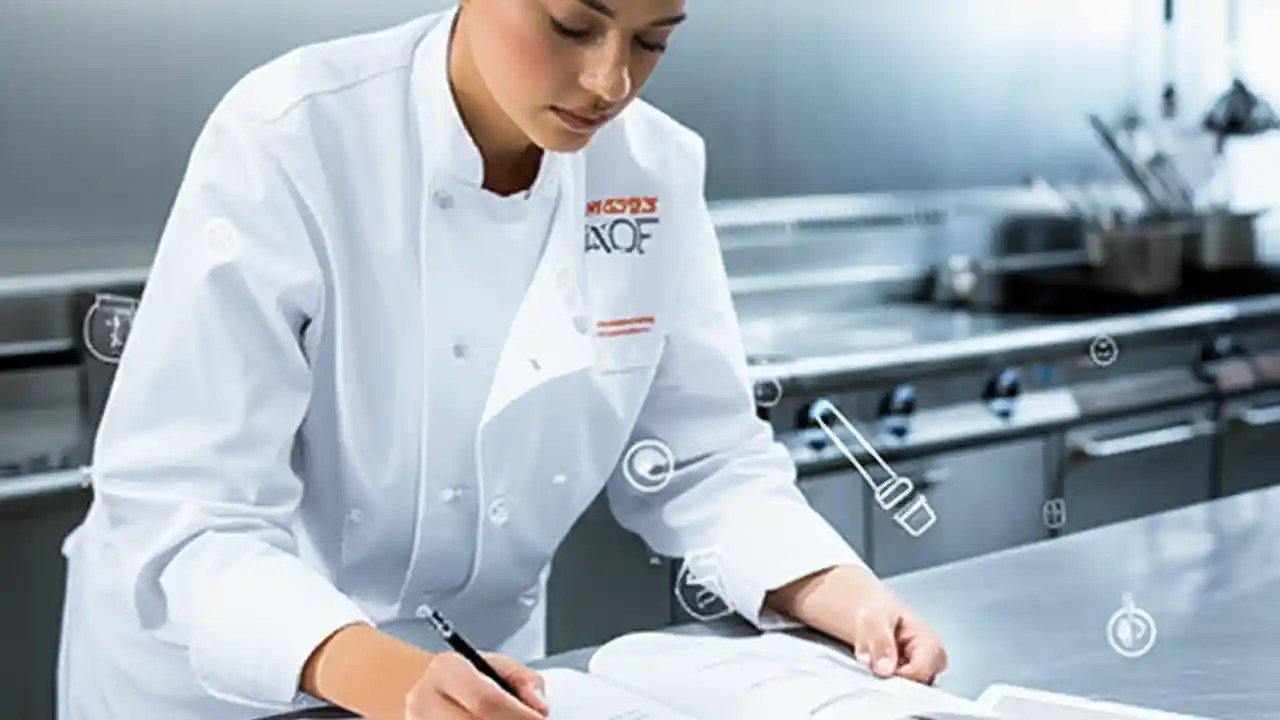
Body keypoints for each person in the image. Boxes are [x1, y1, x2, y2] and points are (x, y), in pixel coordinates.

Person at [56, 1, 949, 718]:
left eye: (652, 42)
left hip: (483, 687)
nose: (609, 82)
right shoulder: (290, 138)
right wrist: (389, 679)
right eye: (573, 26)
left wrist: (840, 592)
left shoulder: (651, 172)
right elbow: (184, 515)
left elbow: (703, 457)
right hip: (222, 679)